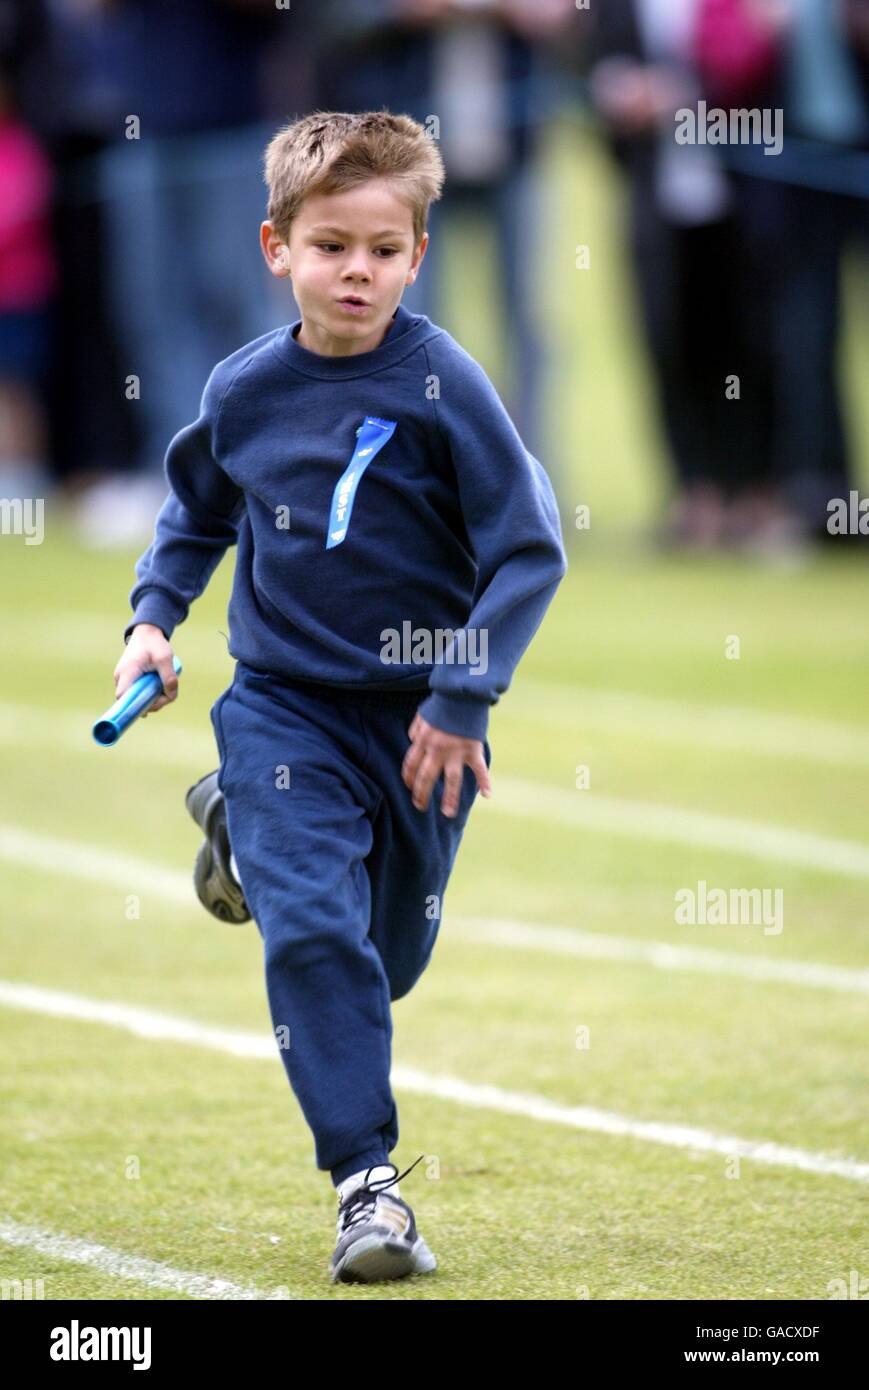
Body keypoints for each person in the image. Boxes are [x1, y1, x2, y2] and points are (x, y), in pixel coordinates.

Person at [111, 110, 567, 1284]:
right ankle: (367, 1188)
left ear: (417, 254)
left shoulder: (442, 380)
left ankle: (241, 838)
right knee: (316, 937)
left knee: (378, 961)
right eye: (328, 246)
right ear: (276, 247)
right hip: (281, 707)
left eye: (380, 248)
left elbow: (528, 549)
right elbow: (196, 512)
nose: (354, 270)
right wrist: (153, 622)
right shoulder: (245, 388)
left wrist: (462, 696)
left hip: (419, 720)